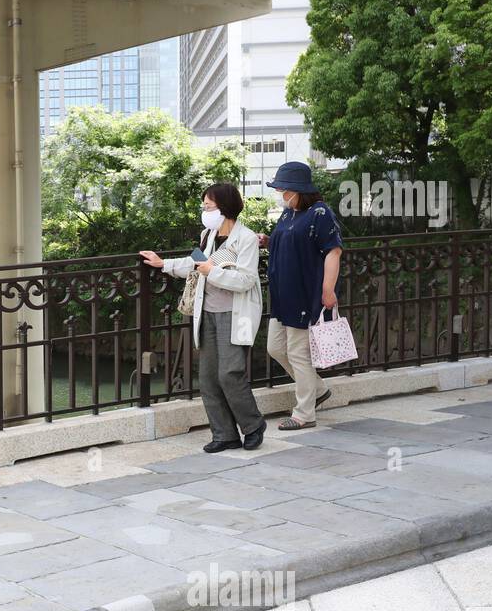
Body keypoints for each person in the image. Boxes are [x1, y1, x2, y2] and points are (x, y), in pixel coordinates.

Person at [140, 183, 266, 452]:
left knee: (230, 374)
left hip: (235, 314)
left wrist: (213, 272)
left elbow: (245, 280)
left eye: (208, 205)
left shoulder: (246, 239)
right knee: (208, 378)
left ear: (225, 206)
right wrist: (164, 264)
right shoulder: (207, 235)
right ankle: (224, 434)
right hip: (206, 312)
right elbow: (195, 263)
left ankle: (253, 426)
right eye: (204, 205)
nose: (205, 210)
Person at [258, 161, 344, 430]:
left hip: (304, 294)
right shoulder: (288, 214)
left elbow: (333, 251)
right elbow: (290, 242)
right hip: (283, 295)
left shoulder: (320, 213)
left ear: (297, 190)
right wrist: (268, 242)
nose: (281, 195)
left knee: (298, 354)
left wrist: (328, 290)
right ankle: (317, 389)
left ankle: (304, 413)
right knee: (275, 347)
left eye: (284, 190)